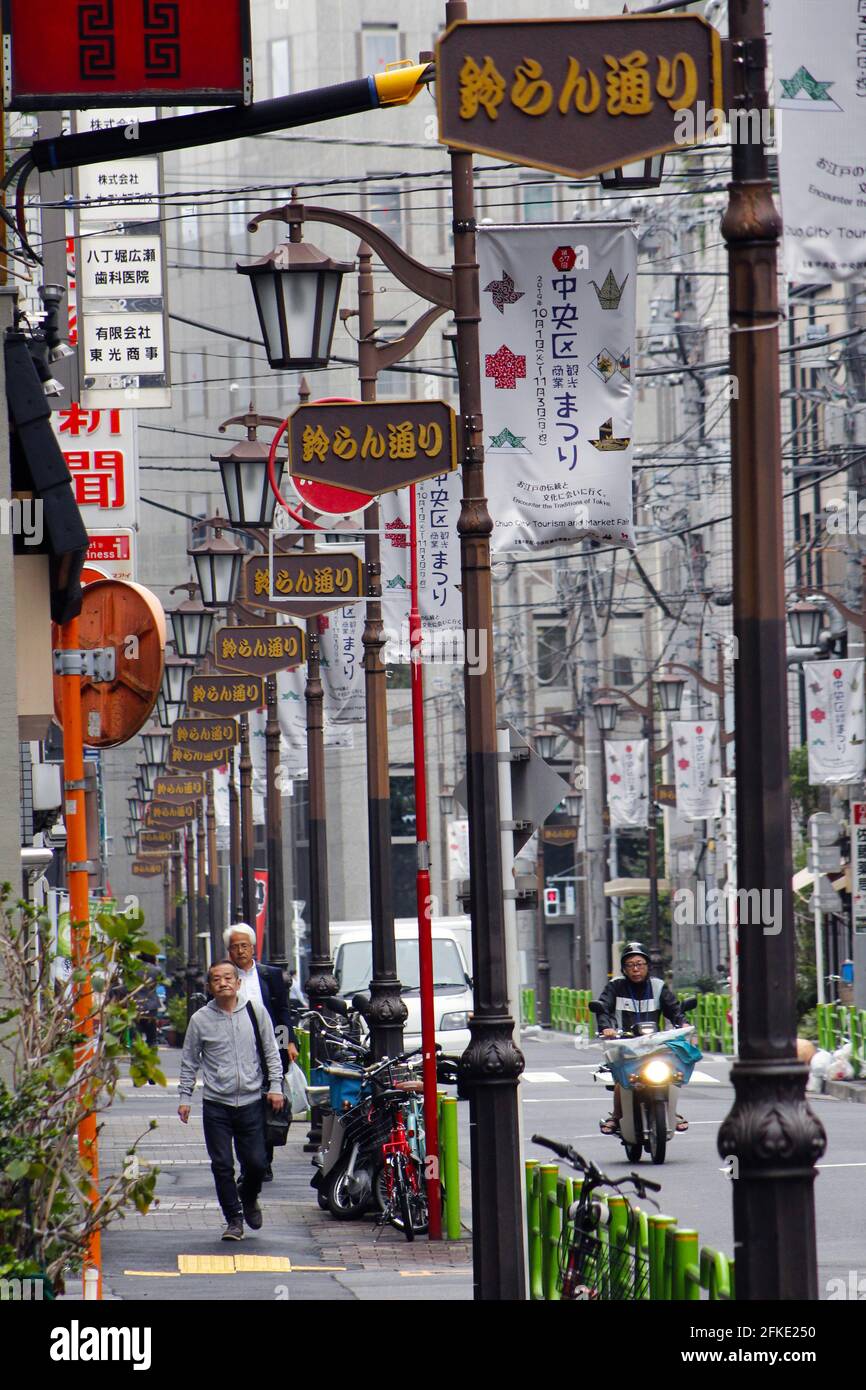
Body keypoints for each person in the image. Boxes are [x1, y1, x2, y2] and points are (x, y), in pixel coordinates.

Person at [178, 959, 284, 1241]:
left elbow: (271, 1051)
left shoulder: (255, 1011)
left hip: (251, 1101)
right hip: (216, 1104)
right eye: (216, 979)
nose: (223, 982)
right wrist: (185, 1097)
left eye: (228, 978)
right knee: (222, 1164)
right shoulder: (200, 1019)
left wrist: (276, 1086)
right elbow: (189, 1061)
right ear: (210, 987)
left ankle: (249, 1197)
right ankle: (234, 1219)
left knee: (257, 1163)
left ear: (238, 983)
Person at [223, 923, 299, 1182]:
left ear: (253, 947)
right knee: (242, 1107)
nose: (240, 951)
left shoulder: (270, 975)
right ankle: (248, 1163)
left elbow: (283, 1012)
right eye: (234, 947)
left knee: (267, 1103)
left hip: (269, 1047)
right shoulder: (224, 978)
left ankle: (264, 1160)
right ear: (228, 951)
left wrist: (289, 1041)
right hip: (235, 1051)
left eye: (244, 945)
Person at [595, 942, 688, 1135]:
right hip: (624, 1045)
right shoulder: (615, 986)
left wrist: (683, 1023)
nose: (635, 969)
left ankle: (672, 1112)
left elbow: (674, 1009)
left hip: (654, 1044)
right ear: (624, 968)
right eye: (630, 965)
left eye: (640, 964)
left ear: (647, 966)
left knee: (671, 1072)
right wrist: (606, 1028)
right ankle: (617, 1116)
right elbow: (603, 1008)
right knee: (622, 1080)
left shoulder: (658, 986)